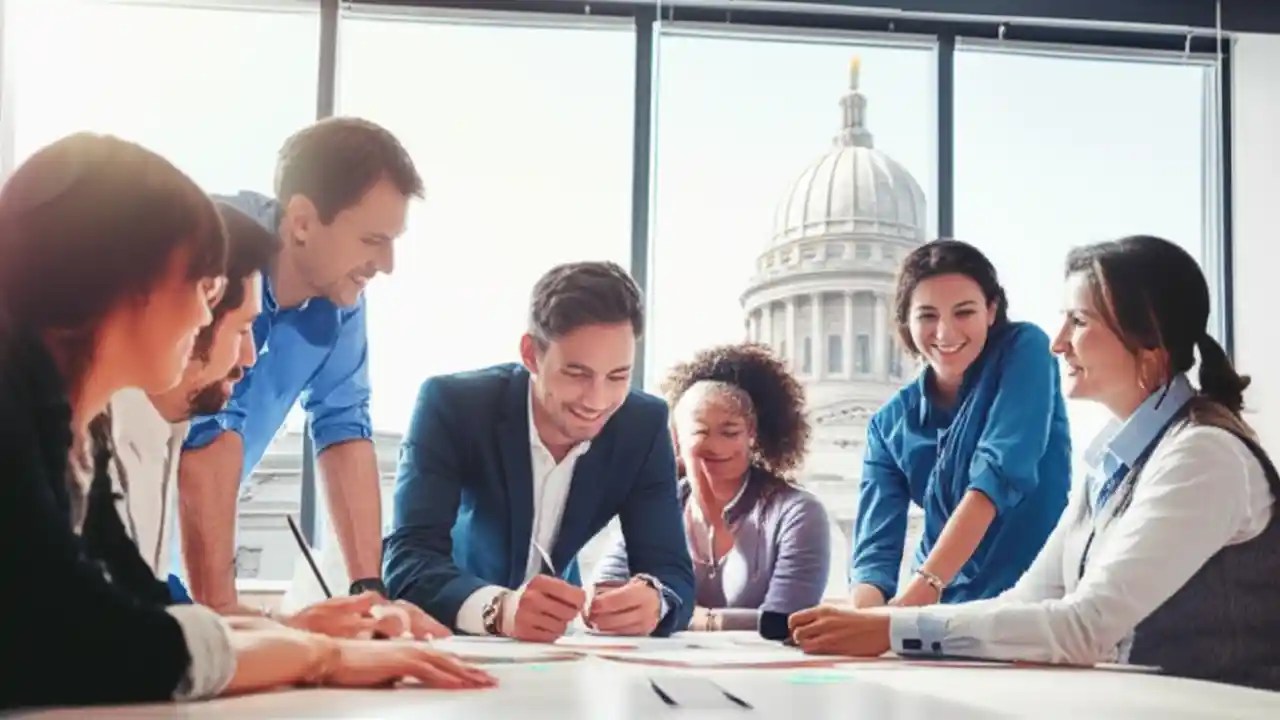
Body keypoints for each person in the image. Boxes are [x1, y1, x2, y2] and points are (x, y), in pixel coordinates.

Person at [0, 133, 493, 709]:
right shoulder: (16, 401)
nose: (212, 317)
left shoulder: (81, 431)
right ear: (132, 287)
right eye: (206, 288)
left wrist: (310, 628)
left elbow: (140, 608)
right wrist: (319, 656)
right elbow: (83, 639)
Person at [790, 235, 1280, 690]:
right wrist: (881, 621)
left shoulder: (1202, 456)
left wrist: (893, 628)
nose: (1058, 340)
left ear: (1148, 343)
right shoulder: (1115, 463)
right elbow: (1029, 600)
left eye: (1080, 322)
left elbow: (1081, 626)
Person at [82, 203, 448, 640]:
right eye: (241, 331)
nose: (251, 358)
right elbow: (123, 639)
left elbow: (164, 618)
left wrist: (303, 630)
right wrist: (313, 650)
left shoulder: (162, 432)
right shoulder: (83, 442)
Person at [179, 117, 423, 611]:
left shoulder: (340, 296)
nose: (388, 264)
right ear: (304, 222)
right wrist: (225, 618)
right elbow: (208, 432)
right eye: (373, 240)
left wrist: (369, 593)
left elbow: (344, 427)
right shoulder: (219, 247)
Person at [384, 261, 695, 640]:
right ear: (531, 354)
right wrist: (497, 609)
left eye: (618, 376)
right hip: (452, 636)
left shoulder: (642, 426)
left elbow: (673, 573)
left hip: (560, 650)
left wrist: (655, 601)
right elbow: (408, 559)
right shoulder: (453, 406)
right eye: (577, 373)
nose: (597, 400)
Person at [850, 239, 1071, 608]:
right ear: (906, 320)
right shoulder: (888, 425)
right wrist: (863, 618)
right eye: (928, 316)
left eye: (964, 312)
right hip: (935, 610)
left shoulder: (1025, 351)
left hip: (1030, 603)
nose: (946, 333)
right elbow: (875, 553)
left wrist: (912, 603)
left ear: (991, 309)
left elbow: (997, 477)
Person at [593, 343, 830, 631]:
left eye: (730, 432)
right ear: (676, 439)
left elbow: (787, 621)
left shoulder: (798, 513)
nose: (717, 447)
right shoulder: (653, 505)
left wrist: (688, 616)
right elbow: (602, 596)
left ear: (752, 435)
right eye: (701, 432)